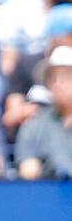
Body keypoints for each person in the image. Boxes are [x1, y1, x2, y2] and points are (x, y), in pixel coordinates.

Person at [14, 45, 72, 179]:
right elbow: (28, 171)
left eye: (66, 77)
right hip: (52, 196)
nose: (58, 84)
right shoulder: (33, 125)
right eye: (53, 79)